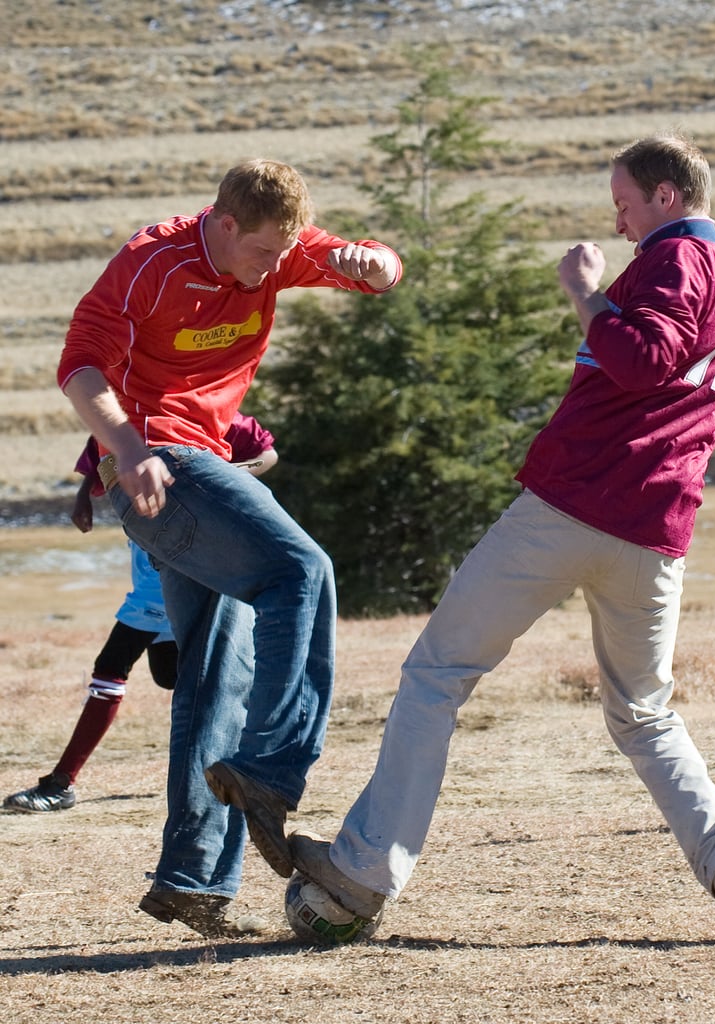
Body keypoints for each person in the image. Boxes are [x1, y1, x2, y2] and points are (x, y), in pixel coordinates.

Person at [290, 133, 715, 937]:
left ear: (667, 198)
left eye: (625, 202)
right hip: (656, 532)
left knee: (436, 675)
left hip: (572, 507)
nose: (616, 218)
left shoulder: (679, 262)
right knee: (642, 713)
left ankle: (360, 874)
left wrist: (584, 292)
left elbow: (641, 360)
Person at [56, 159, 402, 939]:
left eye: (284, 255)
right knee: (301, 571)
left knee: (215, 672)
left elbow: (374, 269)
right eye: (260, 255)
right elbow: (78, 362)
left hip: (195, 464)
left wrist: (371, 264)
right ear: (222, 222)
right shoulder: (151, 263)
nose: (272, 271)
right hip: (159, 466)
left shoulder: (276, 246)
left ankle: (193, 881)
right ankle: (275, 770)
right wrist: (124, 443)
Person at [3, 414, 277, 815]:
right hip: (148, 557)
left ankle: (61, 783)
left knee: (112, 665)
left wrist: (227, 473)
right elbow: (102, 454)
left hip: (185, 563)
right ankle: (263, 740)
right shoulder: (125, 412)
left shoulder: (210, 410)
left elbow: (266, 454)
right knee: (173, 673)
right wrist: (84, 495)